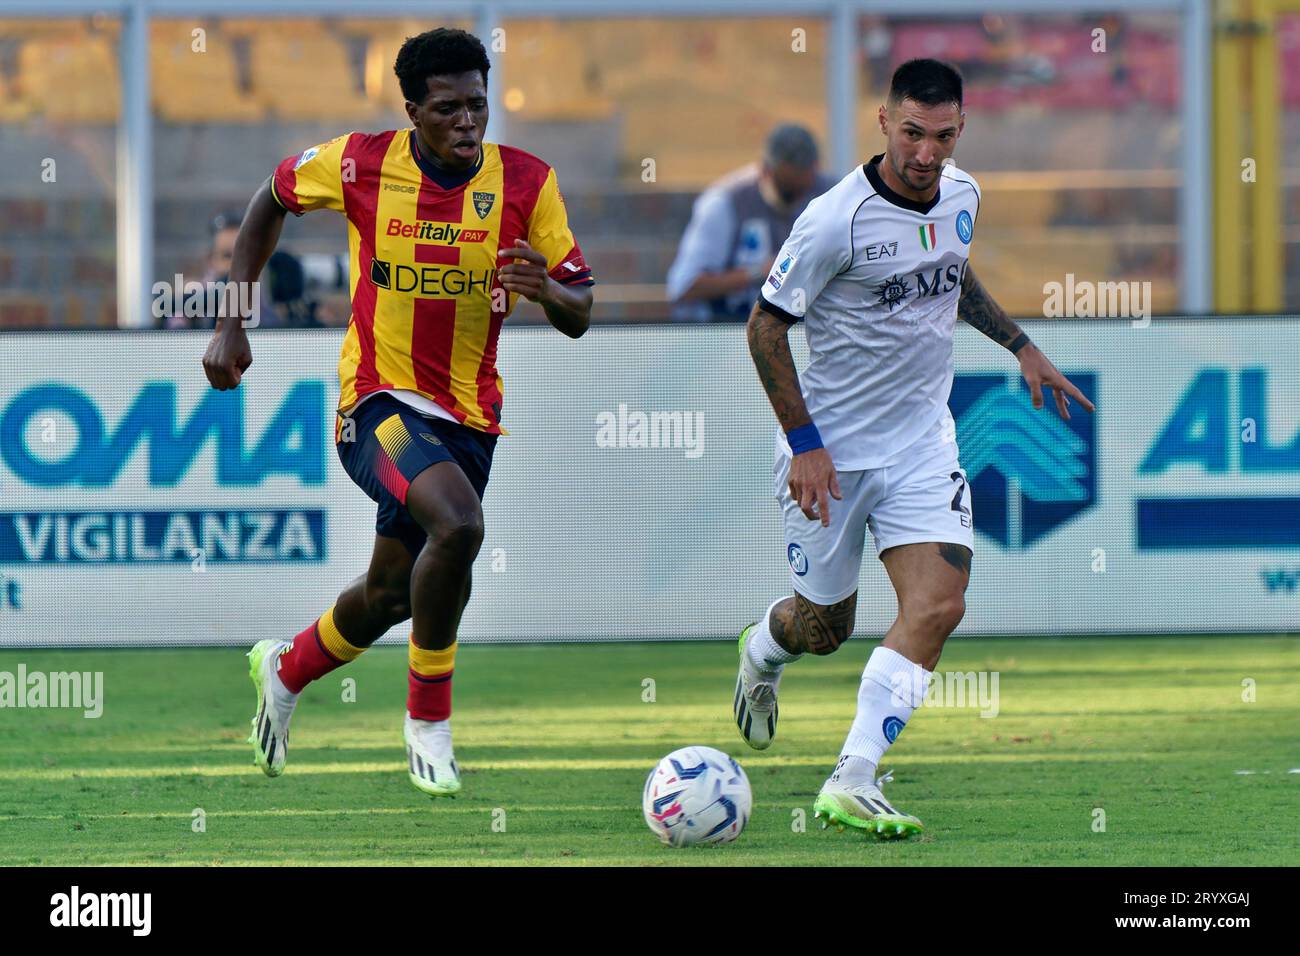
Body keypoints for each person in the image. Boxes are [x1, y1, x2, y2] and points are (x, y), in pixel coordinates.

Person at [201, 28, 594, 797]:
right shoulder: (361, 162)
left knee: (389, 593)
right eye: (446, 108)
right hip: (375, 400)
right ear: (413, 110)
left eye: (478, 105)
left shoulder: (527, 183)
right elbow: (269, 200)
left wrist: (548, 289)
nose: (466, 122)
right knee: (461, 525)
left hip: (468, 418)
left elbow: (580, 309)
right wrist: (232, 319)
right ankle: (429, 724)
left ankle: (286, 669)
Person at [733, 58, 1094, 838]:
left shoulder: (964, 194)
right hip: (831, 454)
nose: (926, 154)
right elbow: (765, 329)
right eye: (911, 134)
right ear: (882, 122)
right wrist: (805, 445)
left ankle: (854, 776)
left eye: (941, 136)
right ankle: (764, 651)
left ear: (960, 130)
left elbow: (951, 273)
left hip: (925, 443)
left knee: (940, 604)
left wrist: (1020, 344)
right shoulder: (836, 221)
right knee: (824, 628)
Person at [665, 124, 833, 322]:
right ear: (765, 171)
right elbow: (682, 287)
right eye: (788, 190)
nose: (798, 198)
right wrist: (763, 272)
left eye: (804, 187)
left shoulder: (831, 194)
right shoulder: (726, 202)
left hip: (806, 333)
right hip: (730, 333)